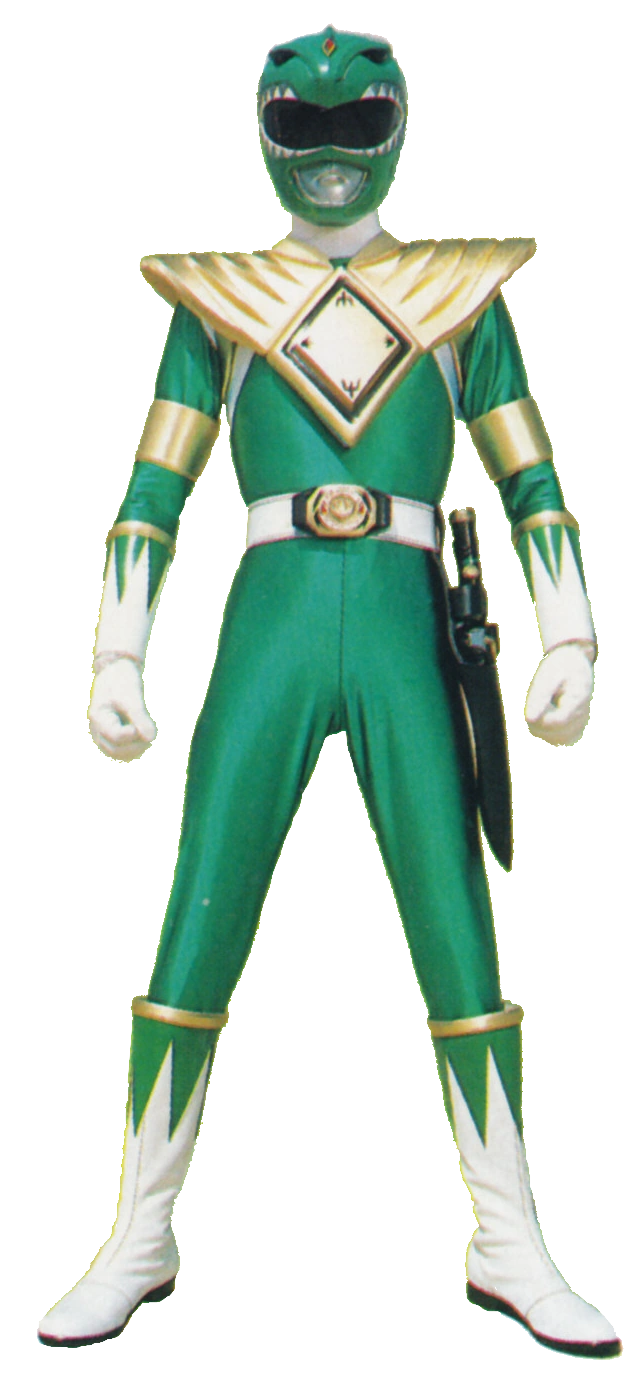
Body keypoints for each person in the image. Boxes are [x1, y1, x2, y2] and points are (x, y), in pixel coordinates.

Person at [38, 26, 621, 1359]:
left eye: (358, 124)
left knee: (457, 928)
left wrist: (571, 633)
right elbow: (155, 490)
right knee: (201, 910)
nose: (333, 154)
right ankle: (139, 1233)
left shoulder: (461, 297)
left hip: (407, 616)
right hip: (276, 613)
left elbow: (531, 479)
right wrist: (116, 651)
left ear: (398, 128)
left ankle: (509, 1238)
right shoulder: (219, 305)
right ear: (266, 137)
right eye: (304, 129)